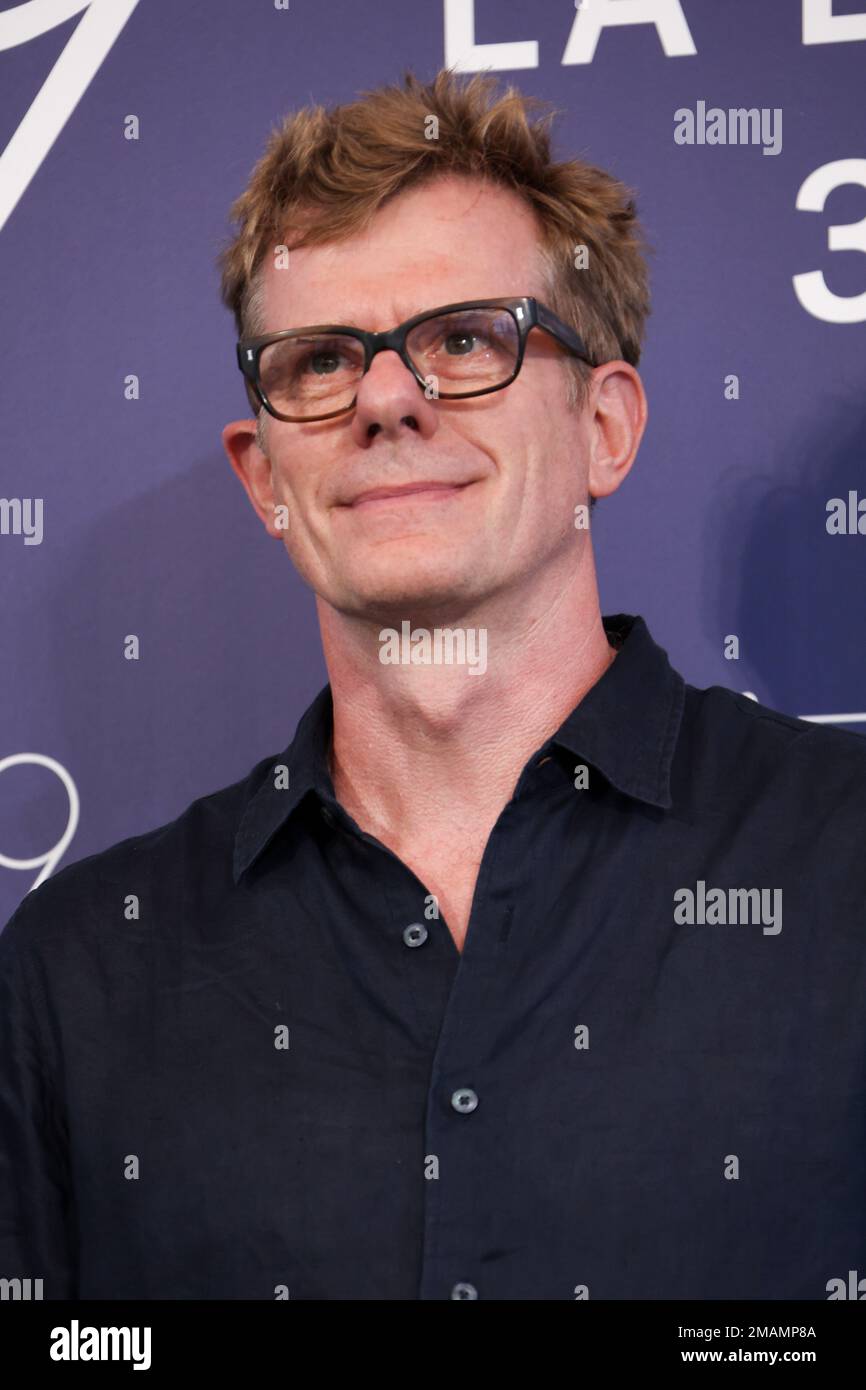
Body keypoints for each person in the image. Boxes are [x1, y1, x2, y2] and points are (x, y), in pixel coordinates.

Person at [1, 69, 864, 1302]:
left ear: (603, 428)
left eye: (465, 339)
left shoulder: (842, 862)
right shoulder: (75, 976)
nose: (385, 399)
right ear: (264, 478)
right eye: (317, 360)